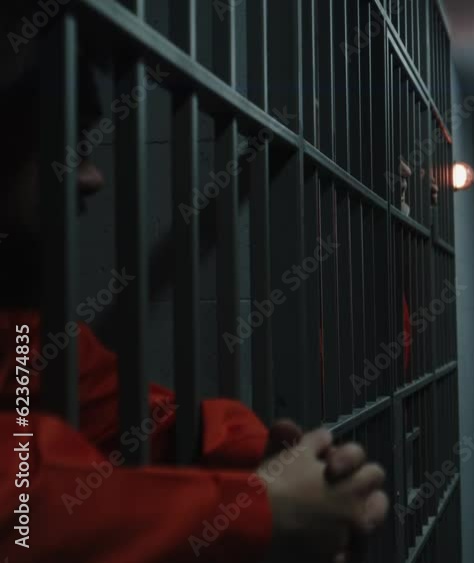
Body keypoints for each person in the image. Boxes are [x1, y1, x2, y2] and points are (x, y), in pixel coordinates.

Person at [0, 6, 388, 562]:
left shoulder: (19, 334)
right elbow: (19, 514)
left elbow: (113, 409)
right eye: (67, 144)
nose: (92, 176)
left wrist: (255, 454)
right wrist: (260, 509)